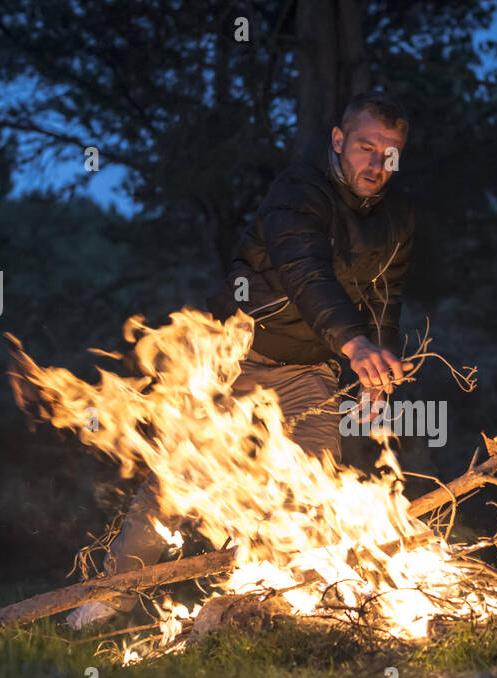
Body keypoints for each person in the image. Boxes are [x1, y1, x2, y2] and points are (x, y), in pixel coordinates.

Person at [67, 91, 416, 629]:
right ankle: (108, 599)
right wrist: (355, 344)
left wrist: (380, 352)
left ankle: (287, 609)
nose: (376, 162)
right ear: (339, 141)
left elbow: (385, 293)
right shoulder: (297, 193)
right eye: (366, 146)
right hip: (236, 357)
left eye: (388, 152)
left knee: (315, 489)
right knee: (174, 482)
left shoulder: (396, 218)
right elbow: (306, 273)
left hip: (308, 371)